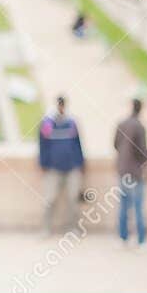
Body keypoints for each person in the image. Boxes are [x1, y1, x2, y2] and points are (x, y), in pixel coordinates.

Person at [38, 95, 85, 235]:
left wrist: (80, 163)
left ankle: (73, 228)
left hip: (72, 167)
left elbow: (78, 144)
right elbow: (42, 145)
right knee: (50, 199)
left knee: (73, 200)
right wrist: (43, 163)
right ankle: (46, 228)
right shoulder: (47, 123)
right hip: (53, 168)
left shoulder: (72, 123)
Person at [113, 98, 147, 247]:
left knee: (123, 205)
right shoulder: (140, 127)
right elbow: (141, 151)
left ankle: (123, 237)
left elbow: (115, 145)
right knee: (138, 206)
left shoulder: (121, 124)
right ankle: (141, 240)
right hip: (135, 171)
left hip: (123, 169)